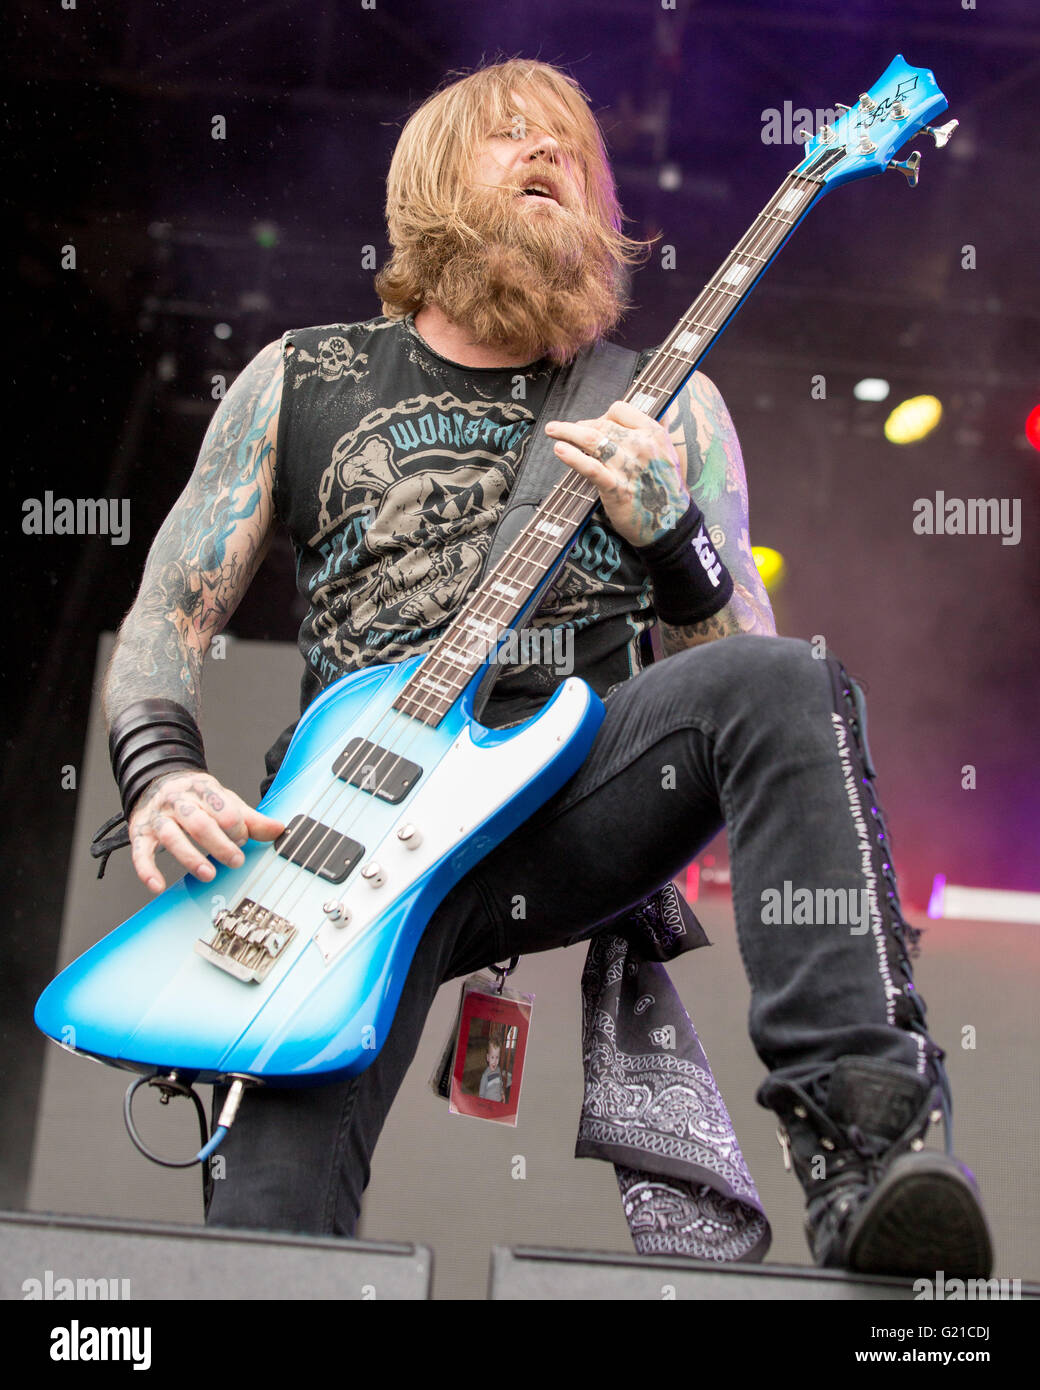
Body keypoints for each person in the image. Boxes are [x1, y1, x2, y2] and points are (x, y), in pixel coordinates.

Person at [100, 59, 992, 1277]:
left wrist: (673, 543)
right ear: (429, 185)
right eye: (509, 135)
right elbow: (166, 611)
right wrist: (159, 774)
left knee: (790, 683)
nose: (547, 158)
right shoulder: (298, 377)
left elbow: (751, 689)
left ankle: (862, 1148)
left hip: (570, 790)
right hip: (343, 841)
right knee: (266, 1233)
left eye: (571, 147)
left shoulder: (665, 406)